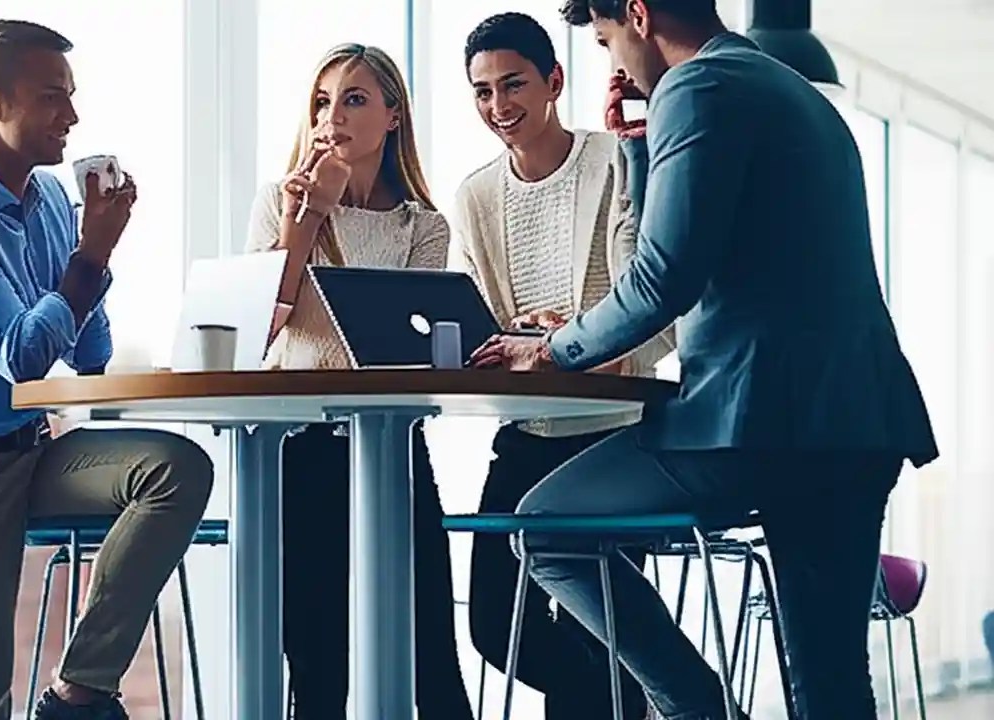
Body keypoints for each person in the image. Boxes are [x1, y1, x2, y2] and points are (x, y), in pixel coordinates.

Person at [470, 1, 937, 718]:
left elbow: (663, 277)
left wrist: (553, 351)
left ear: (638, 13)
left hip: (758, 421)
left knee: (546, 527)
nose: (616, 65)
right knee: (831, 680)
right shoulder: (783, 89)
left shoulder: (699, 87)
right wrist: (637, 147)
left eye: (607, 42)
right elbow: (695, 243)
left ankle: (696, 707)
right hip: (856, 416)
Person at [0, 20, 213, 720]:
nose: (72, 116)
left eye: (71, 97)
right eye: (52, 98)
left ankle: (79, 692)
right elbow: (21, 356)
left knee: (175, 469)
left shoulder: (48, 208)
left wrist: (89, 246)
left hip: (31, 458)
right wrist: (89, 256)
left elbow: (89, 355)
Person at [244, 43, 473, 719]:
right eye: (321, 100)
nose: (332, 116)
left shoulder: (422, 226)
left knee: (426, 644)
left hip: (392, 451)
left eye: (353, 98)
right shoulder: (279, 203)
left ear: (392, 115)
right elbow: (260, 327)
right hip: (302, 450)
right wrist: (308, 217)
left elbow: (416, 346)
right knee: (316, 657)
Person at [453, 12, 671, 720]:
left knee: (603, 626)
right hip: (526, 430)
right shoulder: (477, 194)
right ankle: (641, 695)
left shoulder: (615, 158)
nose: (499, 106)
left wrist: (570, 337)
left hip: (610, 433)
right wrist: (509, 341)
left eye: (513, 84)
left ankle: (641, 695)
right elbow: (479, 311)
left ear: (554, 81)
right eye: (482, 91)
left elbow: (648, 290)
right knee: (494, 626)